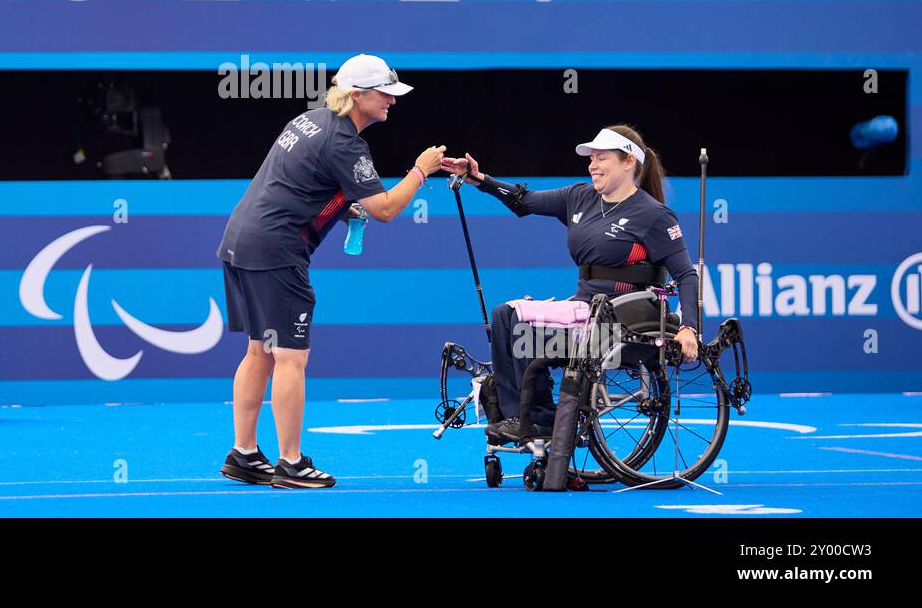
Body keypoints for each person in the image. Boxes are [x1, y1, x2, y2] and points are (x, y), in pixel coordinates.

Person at [216, 54, 445, 488]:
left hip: (239, 240)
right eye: (385, 94)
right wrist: (421, 170)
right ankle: (290, 463)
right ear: (357, 95)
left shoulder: (310, 119)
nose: (392, 101)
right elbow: (387, 210)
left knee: (259, 351)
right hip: (276, 251)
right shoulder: (344, 142)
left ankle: (244, 454)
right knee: (290, 356)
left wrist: (342, 206)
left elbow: (300, 183)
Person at [441, 124, 700, 442]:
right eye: (591, 158)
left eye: (601, 157)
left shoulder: (654, 216)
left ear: (628, 161)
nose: (592, 165)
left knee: (517, 319)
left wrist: (689, 328)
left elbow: (686, 274)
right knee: (505, 315)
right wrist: (480, 180)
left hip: (620, 321)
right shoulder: (579, 197)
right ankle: (522, 416)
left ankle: (537, 418)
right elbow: (525, 200)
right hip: (582, 309)